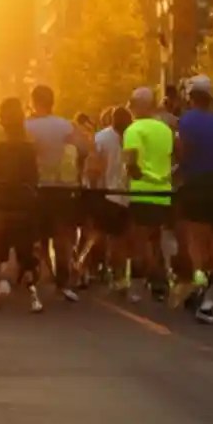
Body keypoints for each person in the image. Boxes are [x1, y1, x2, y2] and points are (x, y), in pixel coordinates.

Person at [175, 75, 213, 324]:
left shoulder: (186, 121)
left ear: (190, 98)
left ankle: (200, 291)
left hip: (195, 184)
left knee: (194, 240)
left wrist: (178, 172)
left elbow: (182, 151)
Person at [0, 97, 43, 313]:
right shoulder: (29, 150)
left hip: (4, 203)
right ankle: (33, 294)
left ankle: (2, 282)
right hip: (25, 203)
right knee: (25, 248)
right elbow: (35, 177)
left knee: (0, 245)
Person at [25, 85, 82, 303]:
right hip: (62, 186)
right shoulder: (66, 126)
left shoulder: (26, 126)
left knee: (36, 235)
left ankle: (36, 277)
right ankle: (63, 280)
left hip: (36, 187)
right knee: (62, 236)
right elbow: (82, 150)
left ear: (33, 101)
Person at [123, 87, 176, 305]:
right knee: (154, 240)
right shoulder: (165, 129)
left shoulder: (134, 129)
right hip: (163, 192)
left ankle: (141, 283)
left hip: (141, 192)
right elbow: (176, 155)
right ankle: (159, 285)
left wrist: (137, 176)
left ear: (137, 106)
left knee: (138, 242)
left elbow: (130, 163)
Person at [86, 106, 132, 298]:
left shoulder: (102, 138)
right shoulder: (129, 137)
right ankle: (115, 275)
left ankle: (92, 271)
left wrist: (93, 188)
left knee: (101, 236)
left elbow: (94, 167)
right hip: (120, 194)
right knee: (115, 239)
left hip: (108, 193)